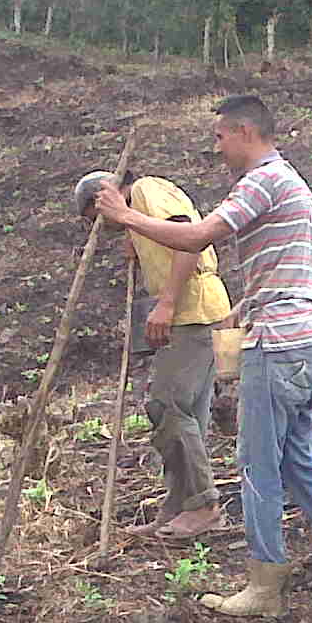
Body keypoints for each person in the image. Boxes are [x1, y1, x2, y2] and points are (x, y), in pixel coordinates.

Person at [93, 94, 312, 618]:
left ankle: (264, 582)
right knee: (299, 462)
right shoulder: (287, 182)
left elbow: (199, 235)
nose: (216, 147)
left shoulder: (263, 180)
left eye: (219, 137)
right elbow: (284, 270)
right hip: (303, 338)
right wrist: (242, 308)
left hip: (278, 346)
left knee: (258, 463)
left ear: (243, 132)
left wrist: (127, 217)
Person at [75, 169, 232, 542]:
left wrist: (167, 302)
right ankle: (179, 505)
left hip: (193, 312)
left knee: (168, 406)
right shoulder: (140, 215)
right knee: (188, 412)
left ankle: (203, 506)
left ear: (105, 198)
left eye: (95, 219)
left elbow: (188, 242)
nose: (101, 228)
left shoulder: (147, 189)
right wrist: (137, 234)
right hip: (196, 310)